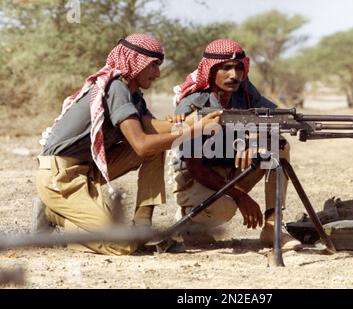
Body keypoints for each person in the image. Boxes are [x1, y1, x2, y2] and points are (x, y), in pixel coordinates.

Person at [34, 33, 220, 255]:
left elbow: (152, 127)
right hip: (60, 176)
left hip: (87, 170)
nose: (157, 73)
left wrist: (192, 122)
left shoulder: (132, 94)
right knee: (124, 245)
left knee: (157, 148)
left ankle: (142, 226)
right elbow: (141, 144)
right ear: (134, 61)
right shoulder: (116, 88)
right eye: (153, 65)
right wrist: (193, 131)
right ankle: (54, 215)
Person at [171, 39, 300, 249]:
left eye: (239, 67)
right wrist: (240, 197)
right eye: (226, 68)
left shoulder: (246, 93)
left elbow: (275, 120)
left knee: (279, 147)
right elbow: (195, 167)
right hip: (200, 178)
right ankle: (190, 221)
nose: (234, 75)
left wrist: (255, 141)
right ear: (211, 70)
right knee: (224, 209)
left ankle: (272, 227)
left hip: (233, 170)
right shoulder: (192, 104)